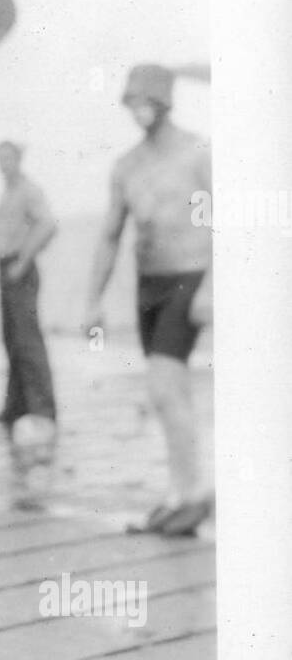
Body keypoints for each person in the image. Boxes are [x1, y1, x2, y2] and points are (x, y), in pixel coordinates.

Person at [84, 63, 213, 536]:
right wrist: (92, 301)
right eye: (131, 100)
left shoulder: (198, 153)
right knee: (168, 391)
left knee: (162, 387)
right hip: (149, 285)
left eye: (146, 99)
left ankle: (191, 494)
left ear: (165, 100)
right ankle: (184, 492)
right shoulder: (126, 166)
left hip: (190, 276)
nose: (138, 109)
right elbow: (109, 235)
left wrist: (213, 287)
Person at [0, 140, 58, 431]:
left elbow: (48, 225)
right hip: (6, 267)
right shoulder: (8, 191)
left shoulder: (28, 190)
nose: (3, 164)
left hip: (21, 268)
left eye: (8, 158)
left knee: (28, 341)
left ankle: (43, 411)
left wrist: (23, 261)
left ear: (19, 159)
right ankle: (15, 409)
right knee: (12, 339)